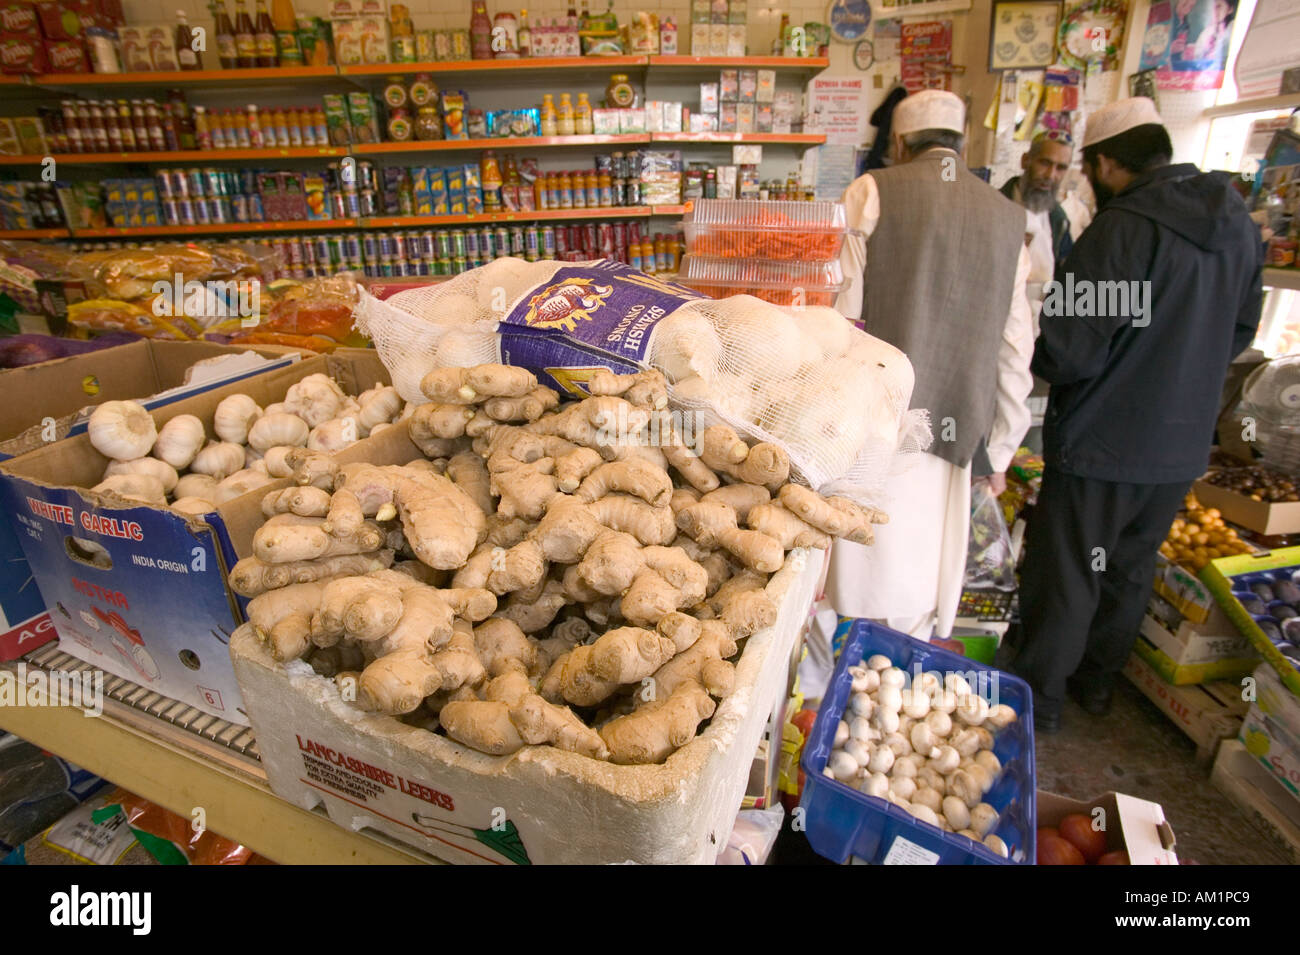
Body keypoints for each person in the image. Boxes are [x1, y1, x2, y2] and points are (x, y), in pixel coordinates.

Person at [1012, 97, 1264, 732]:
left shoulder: (1123, 229)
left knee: (1070, 569)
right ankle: (1098, 687)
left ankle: (1040, 701)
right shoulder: (1234, 221)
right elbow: (1240, 329)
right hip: (1180, 447)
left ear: (1104, 163)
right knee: (1129, 566)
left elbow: (1067, 350)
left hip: (1103, 440)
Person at [830, 89, 1035, 641]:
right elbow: (1016, 347)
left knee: (850, 579)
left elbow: (842, 315)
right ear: (962, 144)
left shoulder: (871, 191)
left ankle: (839, 692)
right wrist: (1005, 445)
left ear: (898, 142)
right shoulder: (1011, 219)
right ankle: (900, 674)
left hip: (872, 426)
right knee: (921, 583)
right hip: (957, 430)